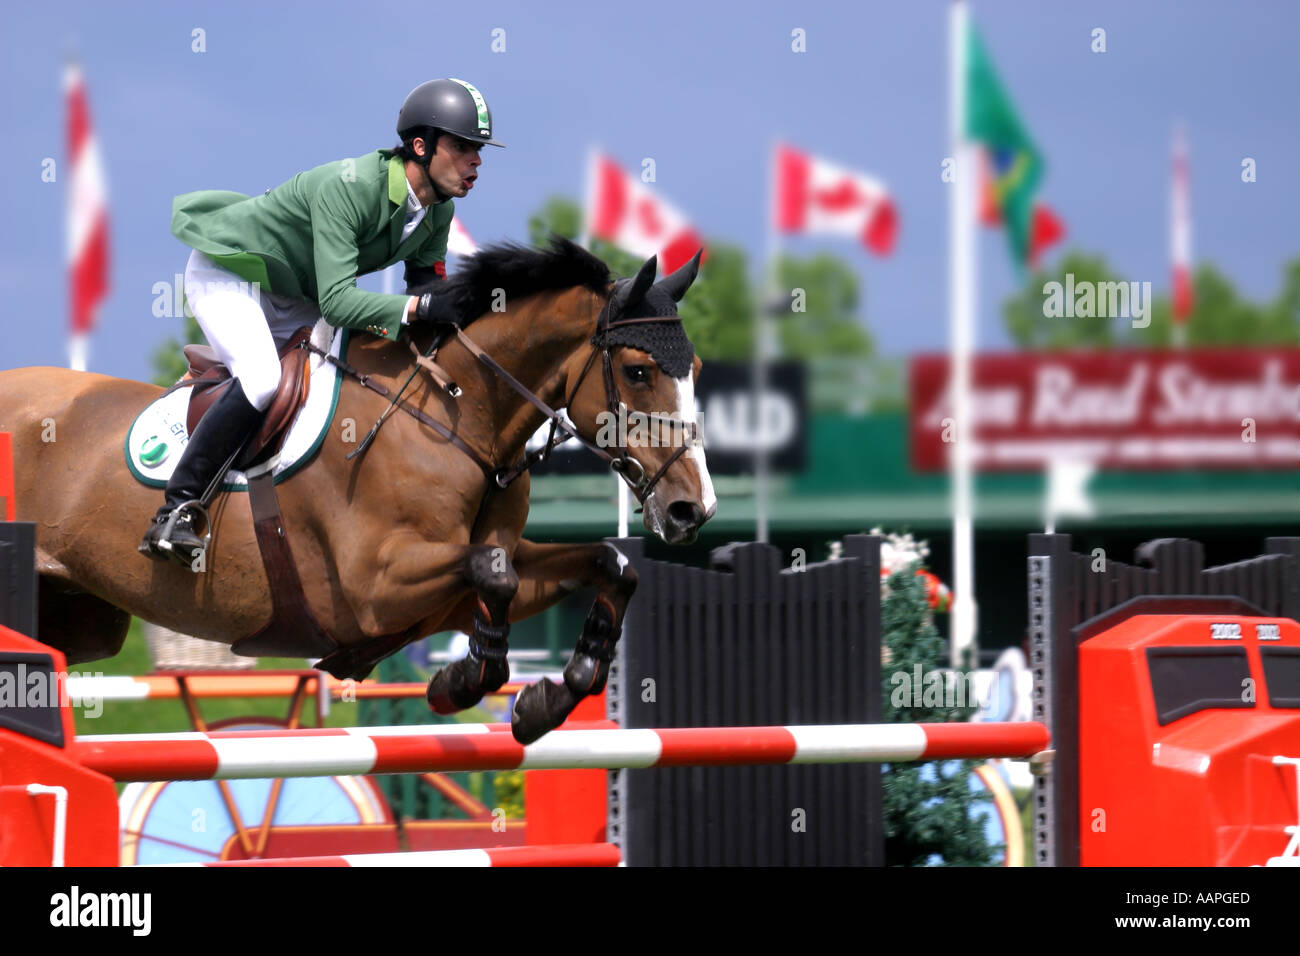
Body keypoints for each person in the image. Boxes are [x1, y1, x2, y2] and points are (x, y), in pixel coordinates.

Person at [140, 78, 503, 564]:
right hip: (233, 273)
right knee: (265, 380)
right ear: (420, 146)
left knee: (346, 379)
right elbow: (339, 303)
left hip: (295, 294)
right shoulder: (349, 188)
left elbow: (424, 295)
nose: (475, 161)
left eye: (477, 150)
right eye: (462, 147)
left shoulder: (438, 213)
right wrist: (419, 309)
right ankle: (176, 509)